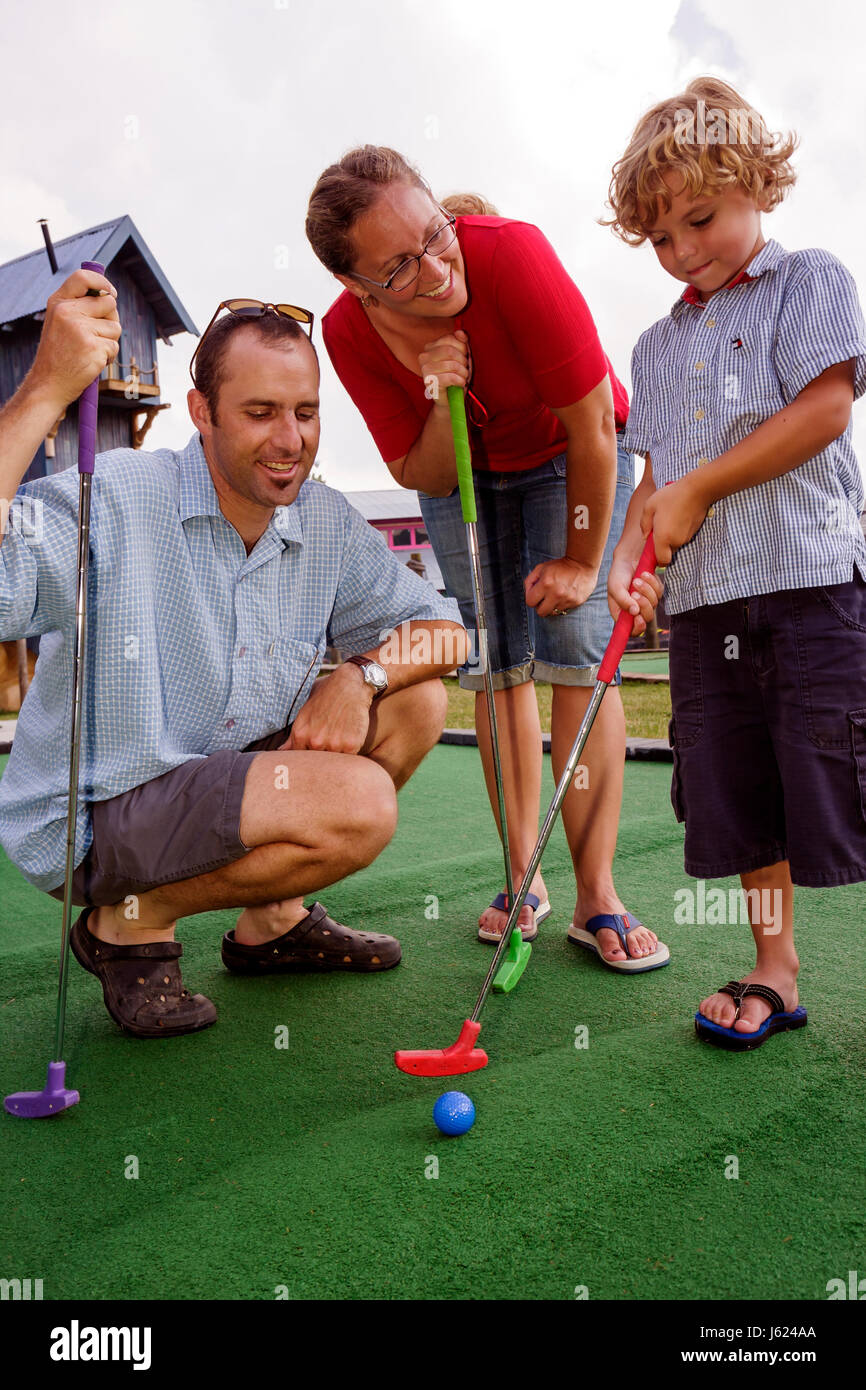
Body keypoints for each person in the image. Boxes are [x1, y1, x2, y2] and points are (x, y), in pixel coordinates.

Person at [0, 271, 467, 1039]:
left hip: (221, 783)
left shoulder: (321, 519)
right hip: (96, 814)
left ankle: (273, 922)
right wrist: (47, 388)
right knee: (360, 805)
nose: (290, 440)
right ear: (201, 414)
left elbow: (447, 631)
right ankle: (126, 922)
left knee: (415, 701)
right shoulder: (118, 493)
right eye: (260, 412)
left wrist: (361, 675)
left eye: (305, 412)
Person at [306, 148, 667, 973]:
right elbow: (419, 471)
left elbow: (593, 429)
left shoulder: (509, 253)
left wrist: (581, 560)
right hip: (465, 468)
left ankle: (597, 895)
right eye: (400, 265)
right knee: (497, 667)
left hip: (565, 453)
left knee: (576, 656)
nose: (436, 269)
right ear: (359, 285)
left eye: (437, 233)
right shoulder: (348, 330)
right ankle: (523, 878)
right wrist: (438, 393)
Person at [605, 76, 866, 1047]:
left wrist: (701, 490)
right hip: (708, 607)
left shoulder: (813, 281)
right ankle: (774, 969)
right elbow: (652, 486)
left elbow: (824, 409)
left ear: (755, 178)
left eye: (700, 218)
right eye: (661, 237)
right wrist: (632, 564)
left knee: (841, 777)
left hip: (808, 587)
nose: (681, 250)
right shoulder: (653, 347)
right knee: (742, 791)